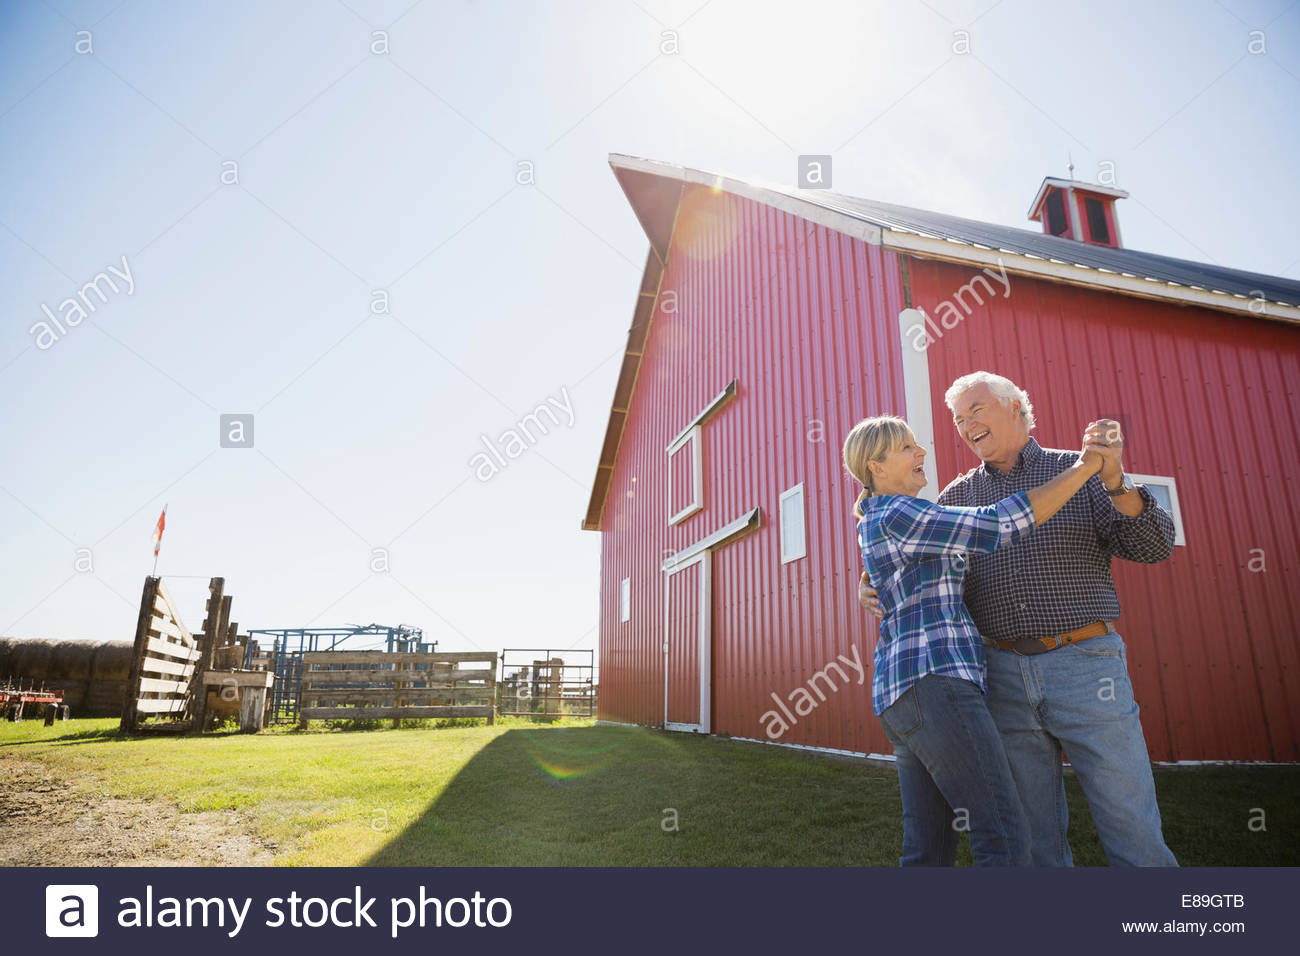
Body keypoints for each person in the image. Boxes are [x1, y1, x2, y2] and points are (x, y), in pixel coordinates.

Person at [860, 371, 1178, 867]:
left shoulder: (1081, 471)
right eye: (958, 419)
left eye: (976, 410)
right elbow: (929, 568)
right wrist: (875, 581)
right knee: (1033, 838)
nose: (965, 425)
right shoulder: (954, 497)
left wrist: (1114, 478)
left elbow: (1153, 545)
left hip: (1086, 666)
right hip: (1000, 674)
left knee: (1129, 820)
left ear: (1015, 408)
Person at [843, 413, 1108, 866]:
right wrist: (1084, 469)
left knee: (928, 848)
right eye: (908, 447)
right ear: (877, 467)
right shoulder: (900, 512)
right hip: (937, 683)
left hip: (902, 695)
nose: (921, 452)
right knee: (1002, 833)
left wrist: (868, 582)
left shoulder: (886, 518)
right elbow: (997, 525)